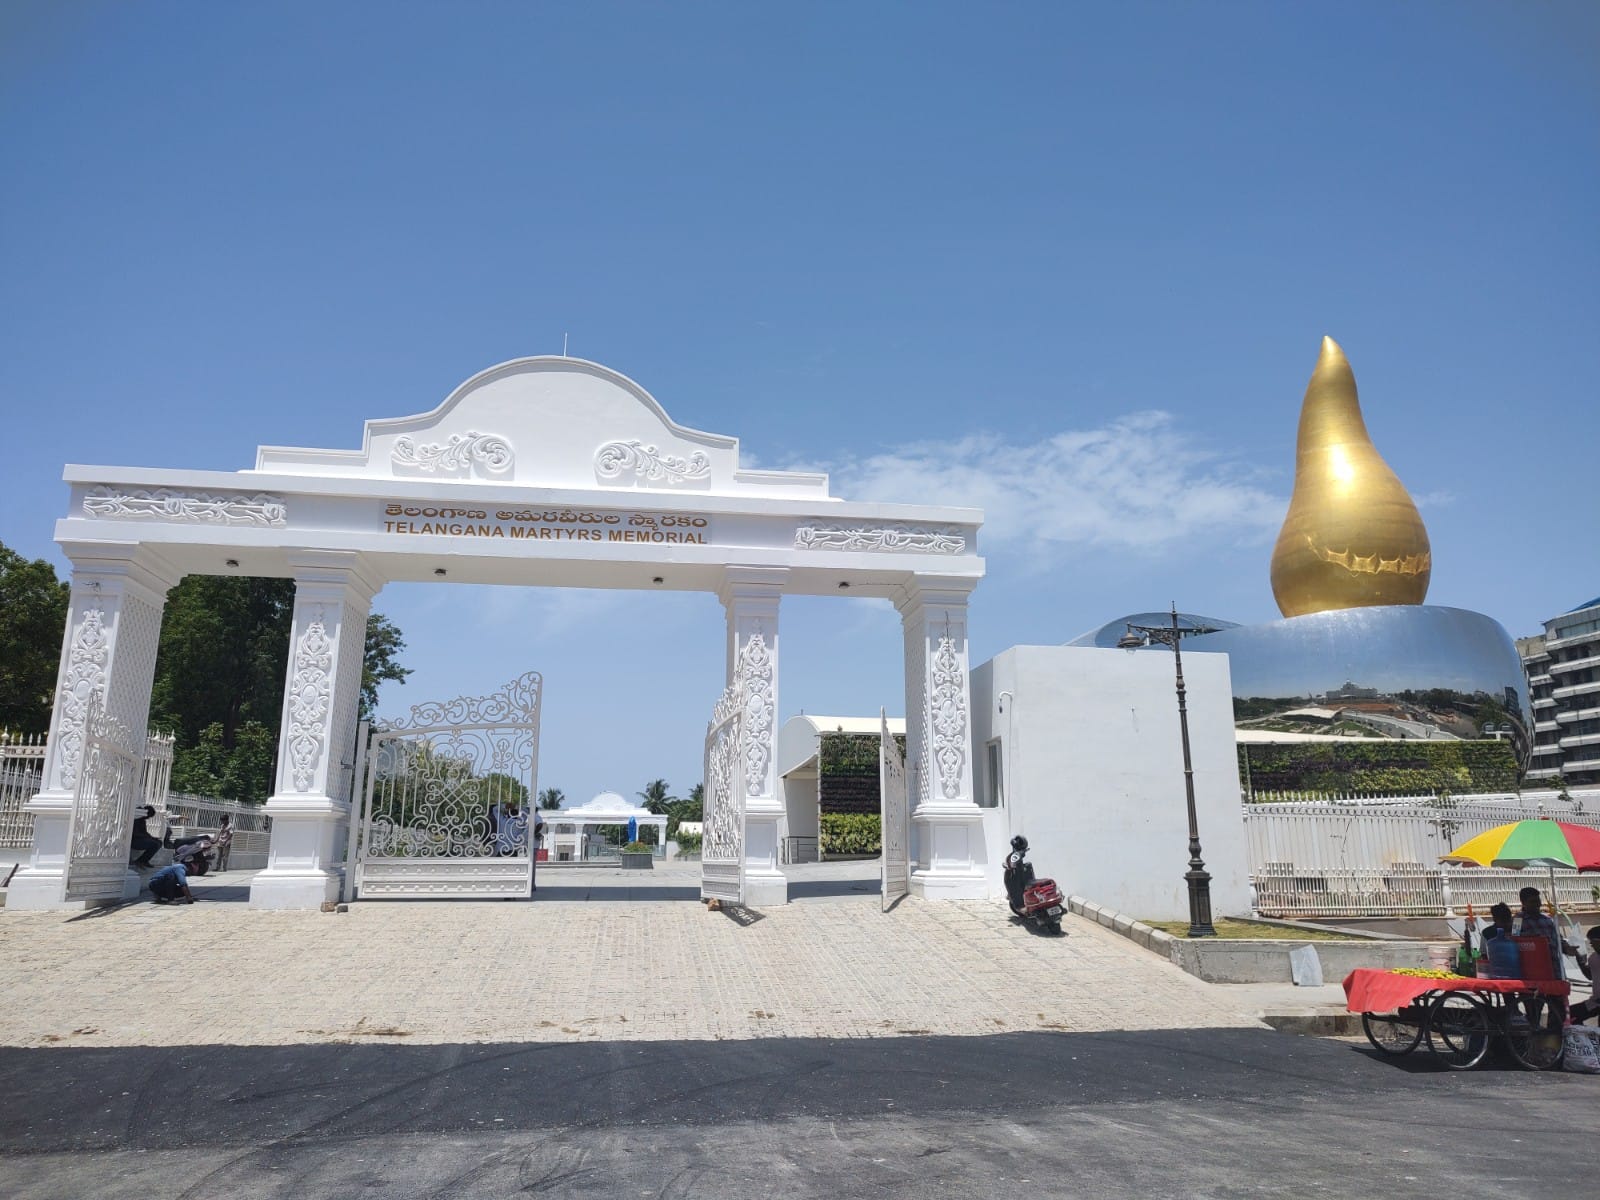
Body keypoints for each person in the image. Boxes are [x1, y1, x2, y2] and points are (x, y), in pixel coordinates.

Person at [1568, 925, 1600, 1025]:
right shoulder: (1593, 957)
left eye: (1592, 941)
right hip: (1595, 1001)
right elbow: (1590, 976)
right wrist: (1579, 960)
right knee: (1569, 1013)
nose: (1590, 944)